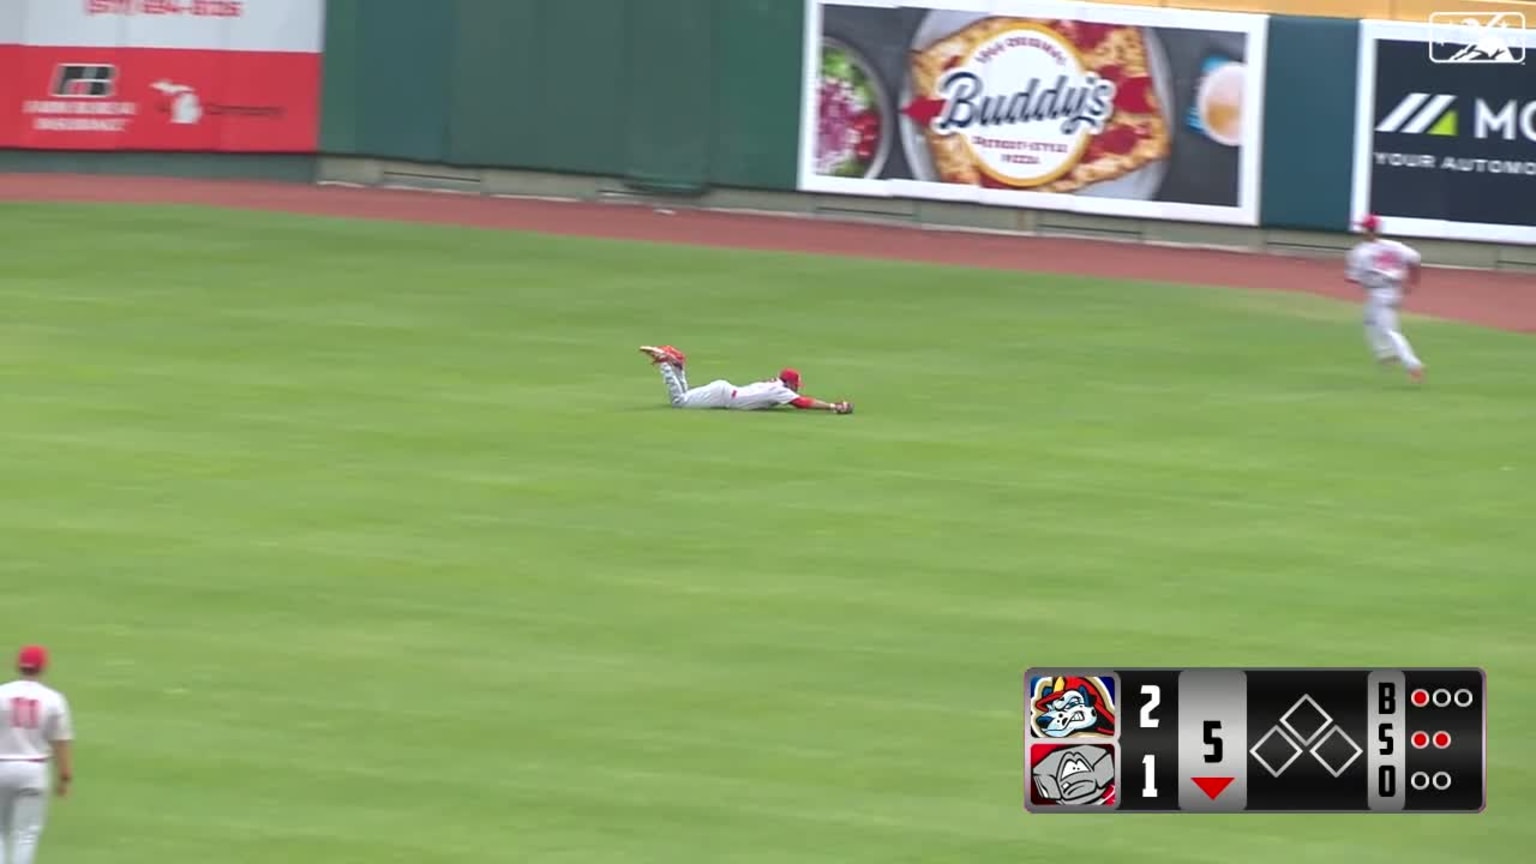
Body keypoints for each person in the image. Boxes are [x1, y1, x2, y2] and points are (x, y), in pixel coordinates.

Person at [0, 645, 74, 864]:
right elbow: (61, 740)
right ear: (44, 667)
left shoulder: (2, 693)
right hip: (35, 769)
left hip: (1, 765)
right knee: (26, 834)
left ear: (18, 665)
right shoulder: (53, 699)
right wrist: (65, 777)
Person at [639, 345, 853, 413]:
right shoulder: (780, 391)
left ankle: (677, 364)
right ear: (789, 383)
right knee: (679, 402)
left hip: (725, 391)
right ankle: (667, 364)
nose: (797, 388)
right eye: (796, 384)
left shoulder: (775, 385)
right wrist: (832, 406)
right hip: (723, 396)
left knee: (685, 397)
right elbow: (802, 402)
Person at [1346, 214, 1425, 383]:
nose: (1361, 231)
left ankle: (1413, 365)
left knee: (1390, 331)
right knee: (1369, 321)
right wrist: (1412, 283)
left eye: (1363, 228)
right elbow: (1416, 259)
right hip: (1394, 291)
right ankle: (1384, 354)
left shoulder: (1361, 252)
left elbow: (1353, 277)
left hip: (1379, 293)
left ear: (1370, 231)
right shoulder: (1394, 246)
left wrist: (1358, 277)